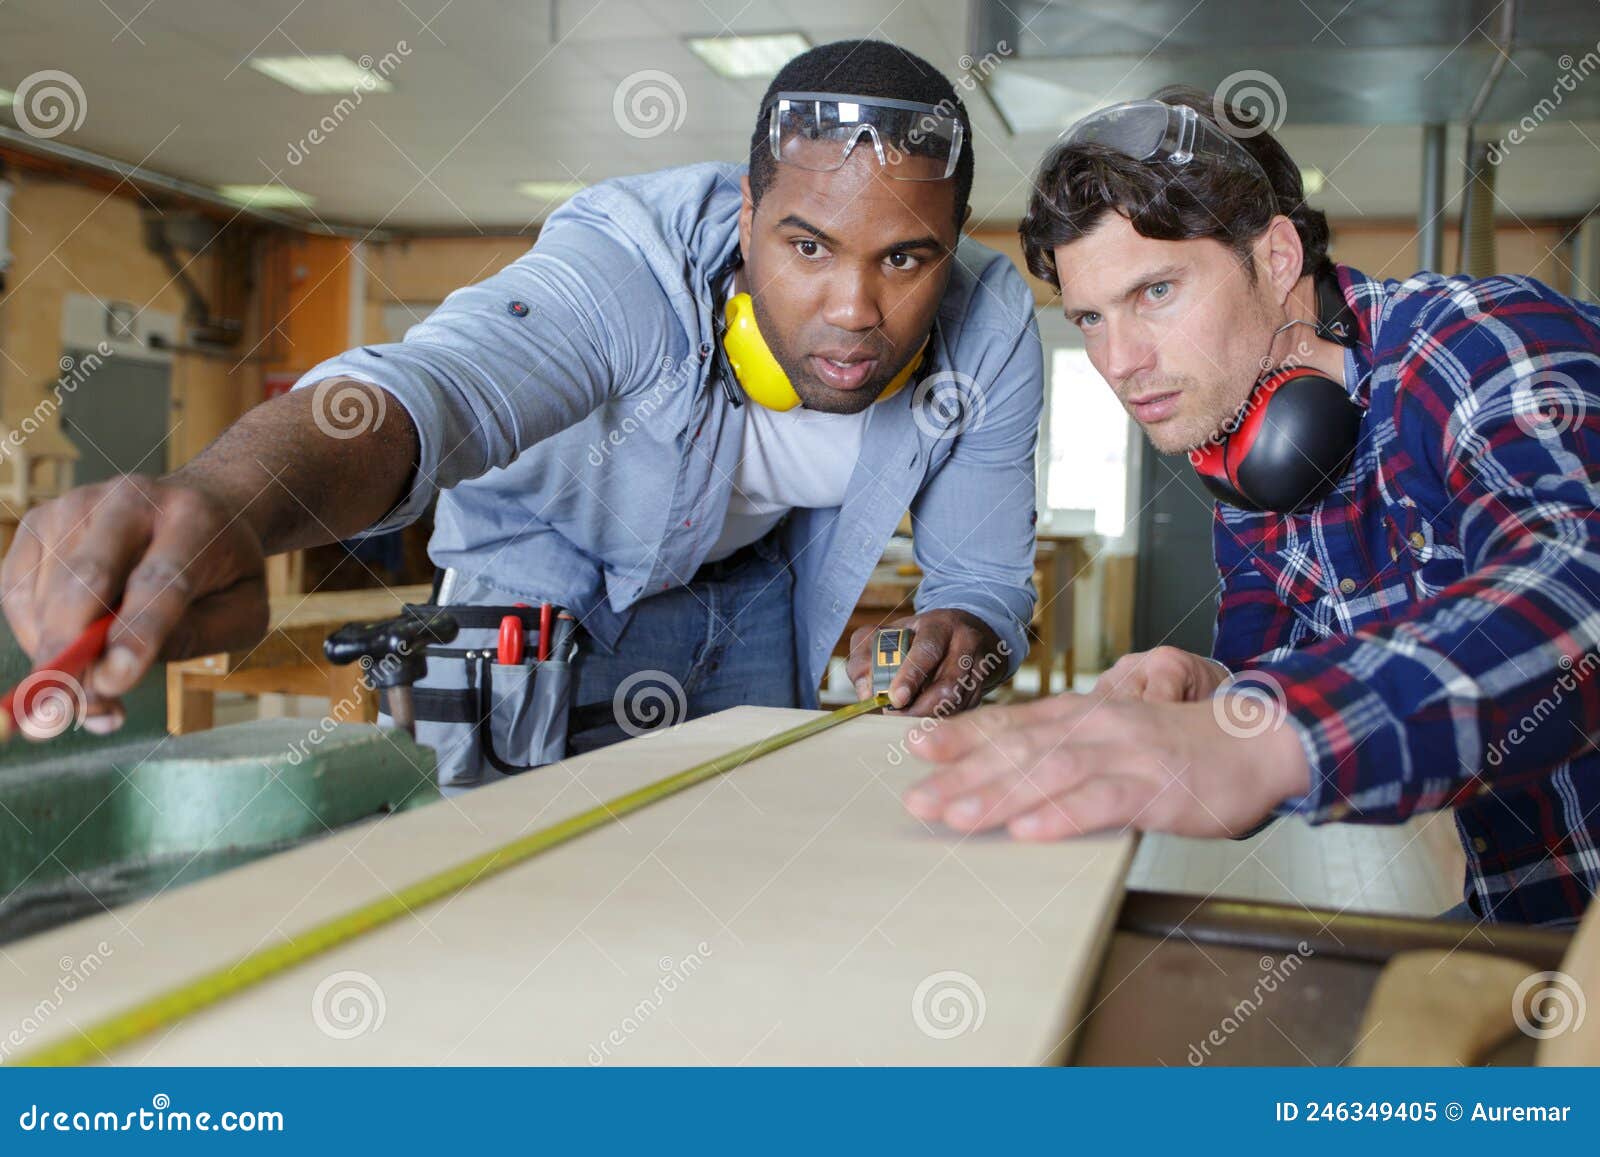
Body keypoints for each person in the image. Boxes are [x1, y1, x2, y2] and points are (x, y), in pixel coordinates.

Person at [0, 41, 1042, 775]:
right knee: (508, 886)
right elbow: (433, 388)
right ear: (745, 214)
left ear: (951, 249)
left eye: (906, 257)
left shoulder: (987, 328)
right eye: (807, 246)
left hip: (756, 586)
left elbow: (983, 581)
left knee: (735, 867)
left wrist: (961, 634)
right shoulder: (631, 263)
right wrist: (230, 495)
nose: (854, 309)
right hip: (546, 565)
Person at [905, 85, 1600, 927]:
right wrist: (1216, 690)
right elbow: (1265, 677)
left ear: (1274, 259)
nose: (1119, 360)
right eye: (1089, 316)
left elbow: (1576, 591)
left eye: (1156, 292)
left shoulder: (1484, 341)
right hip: (1535, 914)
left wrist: (1267, 738)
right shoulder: (1248, 458)